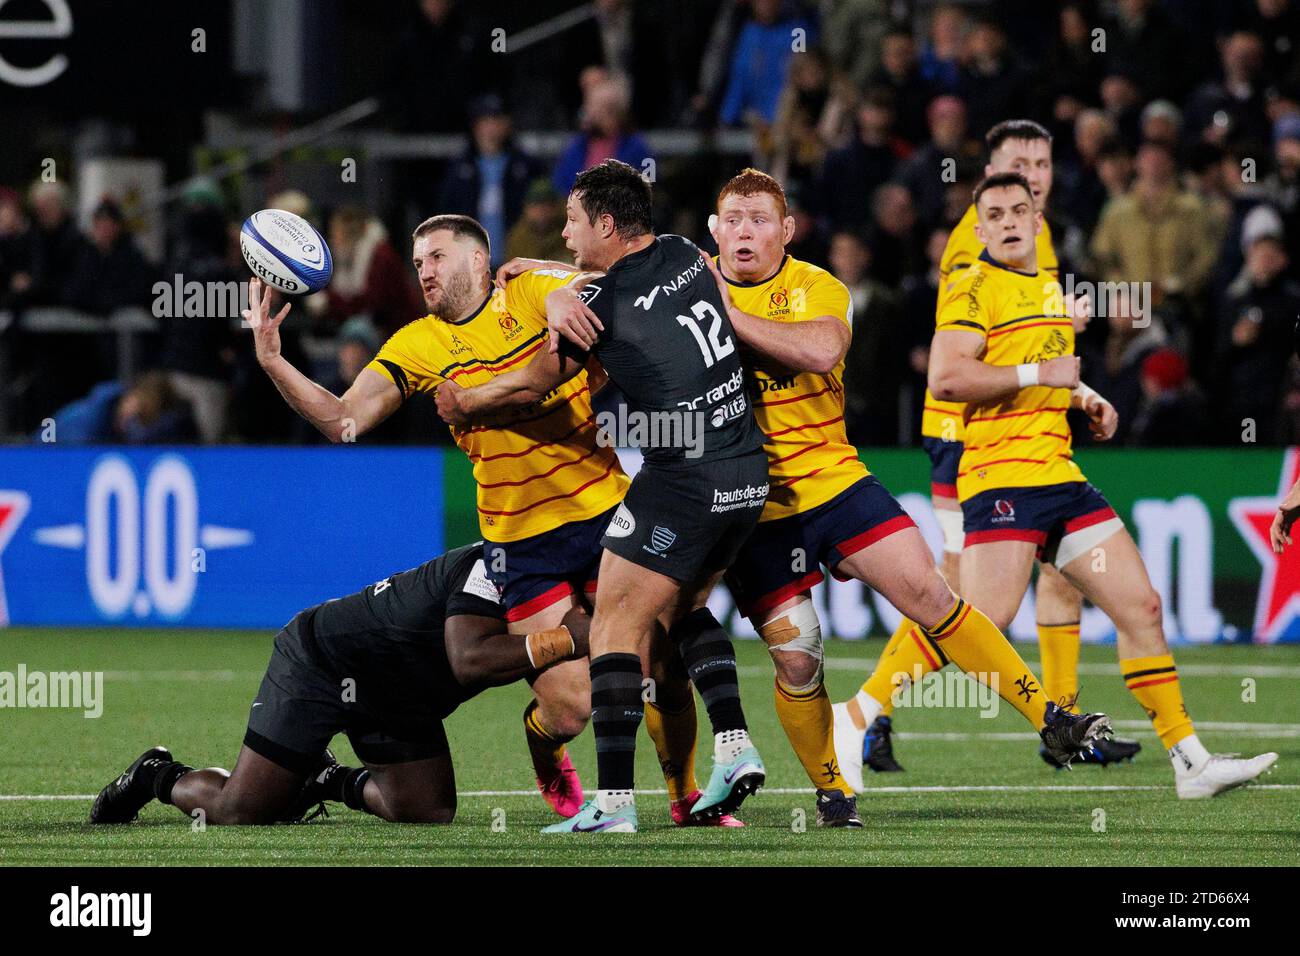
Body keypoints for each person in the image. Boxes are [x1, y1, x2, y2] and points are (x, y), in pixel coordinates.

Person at [245, 213, 724, 827]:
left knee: (658, 655)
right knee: (573, 703)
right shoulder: (416, 343)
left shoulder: (527, 292)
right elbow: (344, 422)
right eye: (417, 262)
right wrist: (273, 361)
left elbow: (606, 277)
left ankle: (685, 801)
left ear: (479, 261)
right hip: (517, 541)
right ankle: (542, 740)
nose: (424, 271)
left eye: (437, 257)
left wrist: (555, 280)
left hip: (604, 507)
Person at [437, 160, 769, 834]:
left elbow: (531, 385)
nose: (563, 233)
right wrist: (541, 272)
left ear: (608, 226)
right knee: (680, 609)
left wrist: (465, 398)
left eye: (573, 221)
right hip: (747, 473)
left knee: (617, 626)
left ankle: (614, 805)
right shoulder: (685, 252)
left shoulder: (598, 309)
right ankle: (734, 744)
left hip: (683, 481)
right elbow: (624, 284)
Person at [922, 170, 1276, 799]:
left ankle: (1190, 762)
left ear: (1039, 222)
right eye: (994, 214)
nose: (1007, 222)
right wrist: (1043, 371)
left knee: (1142, 608)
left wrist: (1085, 395)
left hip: (1060, 476)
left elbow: (1045, 368)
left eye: (1018, 211)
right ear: (977, 229)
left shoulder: (1051, 288)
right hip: (999, 479)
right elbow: (947, 379)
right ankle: (872, 708)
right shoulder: (971, 288)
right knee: (979, 624)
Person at [837, 120, 1139, 779]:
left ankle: (1064, 721)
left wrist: (1076, 381)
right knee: (965, 603)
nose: (1034, 170)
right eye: (1018, 160)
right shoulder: (979, 243)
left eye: (1042, 161)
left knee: (1063, 577)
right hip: (966, 434)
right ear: (990, 172)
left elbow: (1040, 336)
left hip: (1035, 434)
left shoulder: (1040, 233)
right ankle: (869, 711)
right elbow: (964, 356)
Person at [90, 544, 590, 826]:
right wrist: (568, 638)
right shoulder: (493, 566)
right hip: (324, 661)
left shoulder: (560, 573)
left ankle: (324, 779)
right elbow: (469, 660)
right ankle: (155, 774)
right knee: (240, 811)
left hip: (400, 694)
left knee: (425, 811)